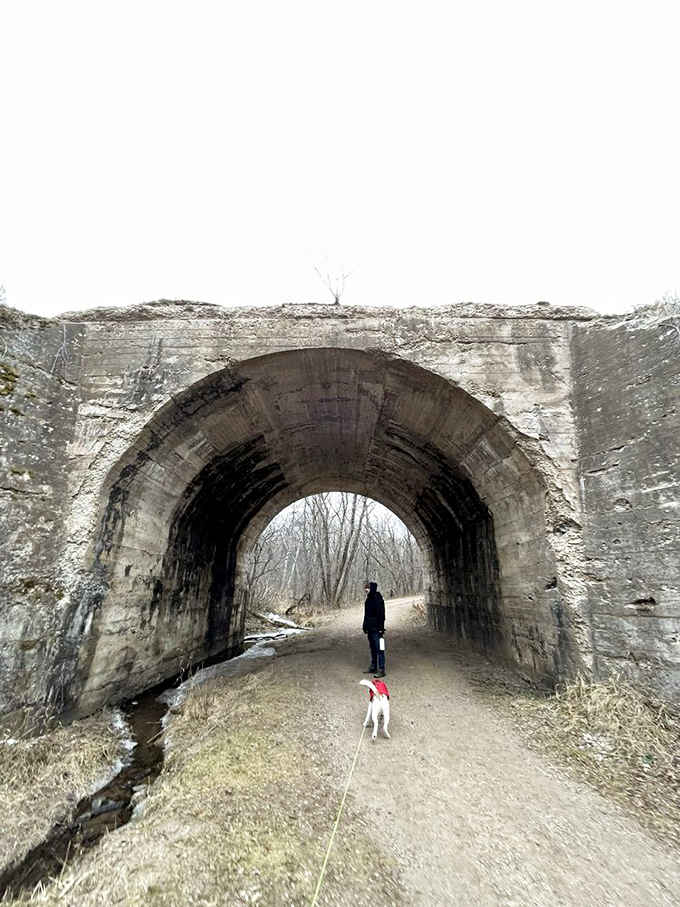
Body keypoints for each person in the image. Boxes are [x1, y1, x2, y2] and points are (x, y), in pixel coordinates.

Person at [362, 581, 386, 677]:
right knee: (372, 648)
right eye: (365, 588)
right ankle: (373, 667)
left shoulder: (377, 598)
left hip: (377, 629)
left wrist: (381, 628)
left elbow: (381, 614)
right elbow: (366, 615)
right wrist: (364, 626)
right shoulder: (368, 599)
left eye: (367, 588)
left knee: (380, 649)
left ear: (371, 588)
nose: (365, 590)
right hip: (370, 629)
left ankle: (381, 669)